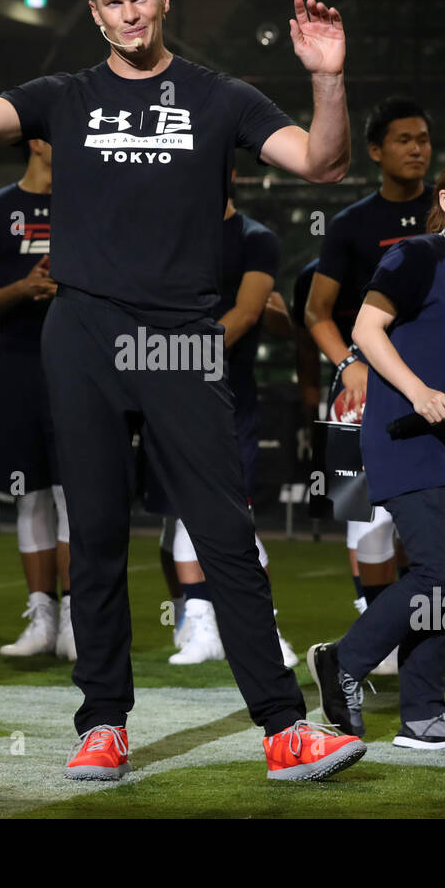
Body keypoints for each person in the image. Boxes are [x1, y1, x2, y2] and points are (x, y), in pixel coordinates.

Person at [0, 0, 365, 781]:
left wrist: (328, 77)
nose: (129, 13)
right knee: (93, 532)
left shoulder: (219, 96)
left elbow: (323, 159)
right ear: (94, 13)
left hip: (179, 335)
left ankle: (283, 728)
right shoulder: (65, 94)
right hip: (80, 330)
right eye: (112, 2)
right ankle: (102, 724)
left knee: (226, 534)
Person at [308, 146, 445, 749]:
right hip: (405, 431)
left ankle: (422, 715)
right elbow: (365, 330)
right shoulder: (415, 255)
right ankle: (344, 660)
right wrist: (419, 391)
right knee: (443, 569)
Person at [152, 187, 298, 669]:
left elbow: (250, 312)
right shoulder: (165, 231)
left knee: (236, 516)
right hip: (163, 393)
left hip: (228, 397)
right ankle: (198, 622)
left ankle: (262, 626)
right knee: (179, 513)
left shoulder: (255, 239)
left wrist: (186, 357)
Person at [0, 138, 74, 658]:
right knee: (28, 491)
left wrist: (69, 286)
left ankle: (76, 618)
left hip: (80, 360)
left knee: (72, 494)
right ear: (35, 141)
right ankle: (41, 617)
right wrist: (24, 289)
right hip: (17, 362)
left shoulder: (92, 197)